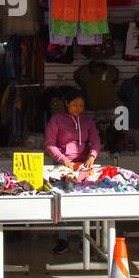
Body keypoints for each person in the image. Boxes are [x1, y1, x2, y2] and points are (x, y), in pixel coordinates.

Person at [44, 89, 101, 254]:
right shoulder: (57, 120)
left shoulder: (88, 121)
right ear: (66, 104)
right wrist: (66, 162)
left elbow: (96, 140)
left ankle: (85, 238)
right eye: (75, 104)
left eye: (81, 105)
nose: (78, 108)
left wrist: (92, 156)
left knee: (84, 199)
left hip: (83, 166)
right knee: (61, 199)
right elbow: (50, 144)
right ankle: (63, 239)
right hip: (61, 164)